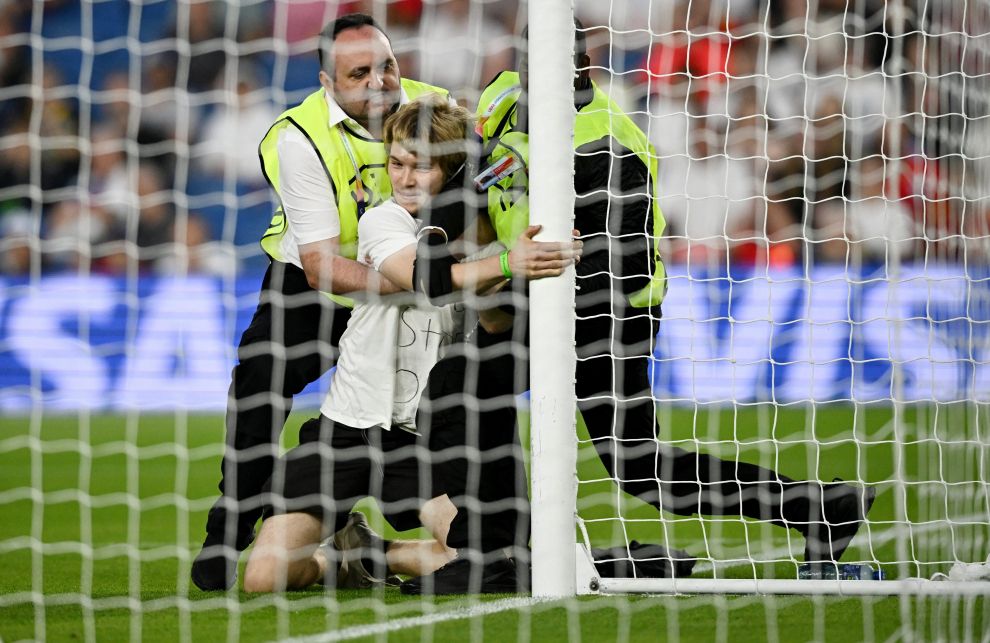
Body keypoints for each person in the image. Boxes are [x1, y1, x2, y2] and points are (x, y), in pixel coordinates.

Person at [401, 20, 876, 595]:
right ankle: (499, 551)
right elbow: (471, 174)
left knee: (640, 471)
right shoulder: (505, 98)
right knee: (461, 388)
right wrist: (442, 233)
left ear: (583, 64)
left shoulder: (609, 141)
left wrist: (504, 285)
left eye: (547, 63)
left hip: (611, 314)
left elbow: (609, 267)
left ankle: (818, 507)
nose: (530, 74)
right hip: (536, 294)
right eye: (526, 61)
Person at [242, 93, 582, 592]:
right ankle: (332, 564)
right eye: (395, 163)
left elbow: (493, 322)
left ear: (452, 169)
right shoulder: (383, 220)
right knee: (263, 578)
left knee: (500, 561)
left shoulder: (484, 229)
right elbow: (425, 278)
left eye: (419, 167)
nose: (402, 178)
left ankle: (372, 556)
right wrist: (508, 265)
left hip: (418, 442)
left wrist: (498, 260)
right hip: (346, 427)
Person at [191, 13, 455, 592]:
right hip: (322, 286)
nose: (380, 81)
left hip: (411, 294)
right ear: (327, 82)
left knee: (443, 398)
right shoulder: (298, 136)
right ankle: (230, 522)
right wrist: (428, 278)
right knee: (261, 378)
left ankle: (456, 510)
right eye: (360, 73)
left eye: (386, 65)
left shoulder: (438, 111)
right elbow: (320, 267)